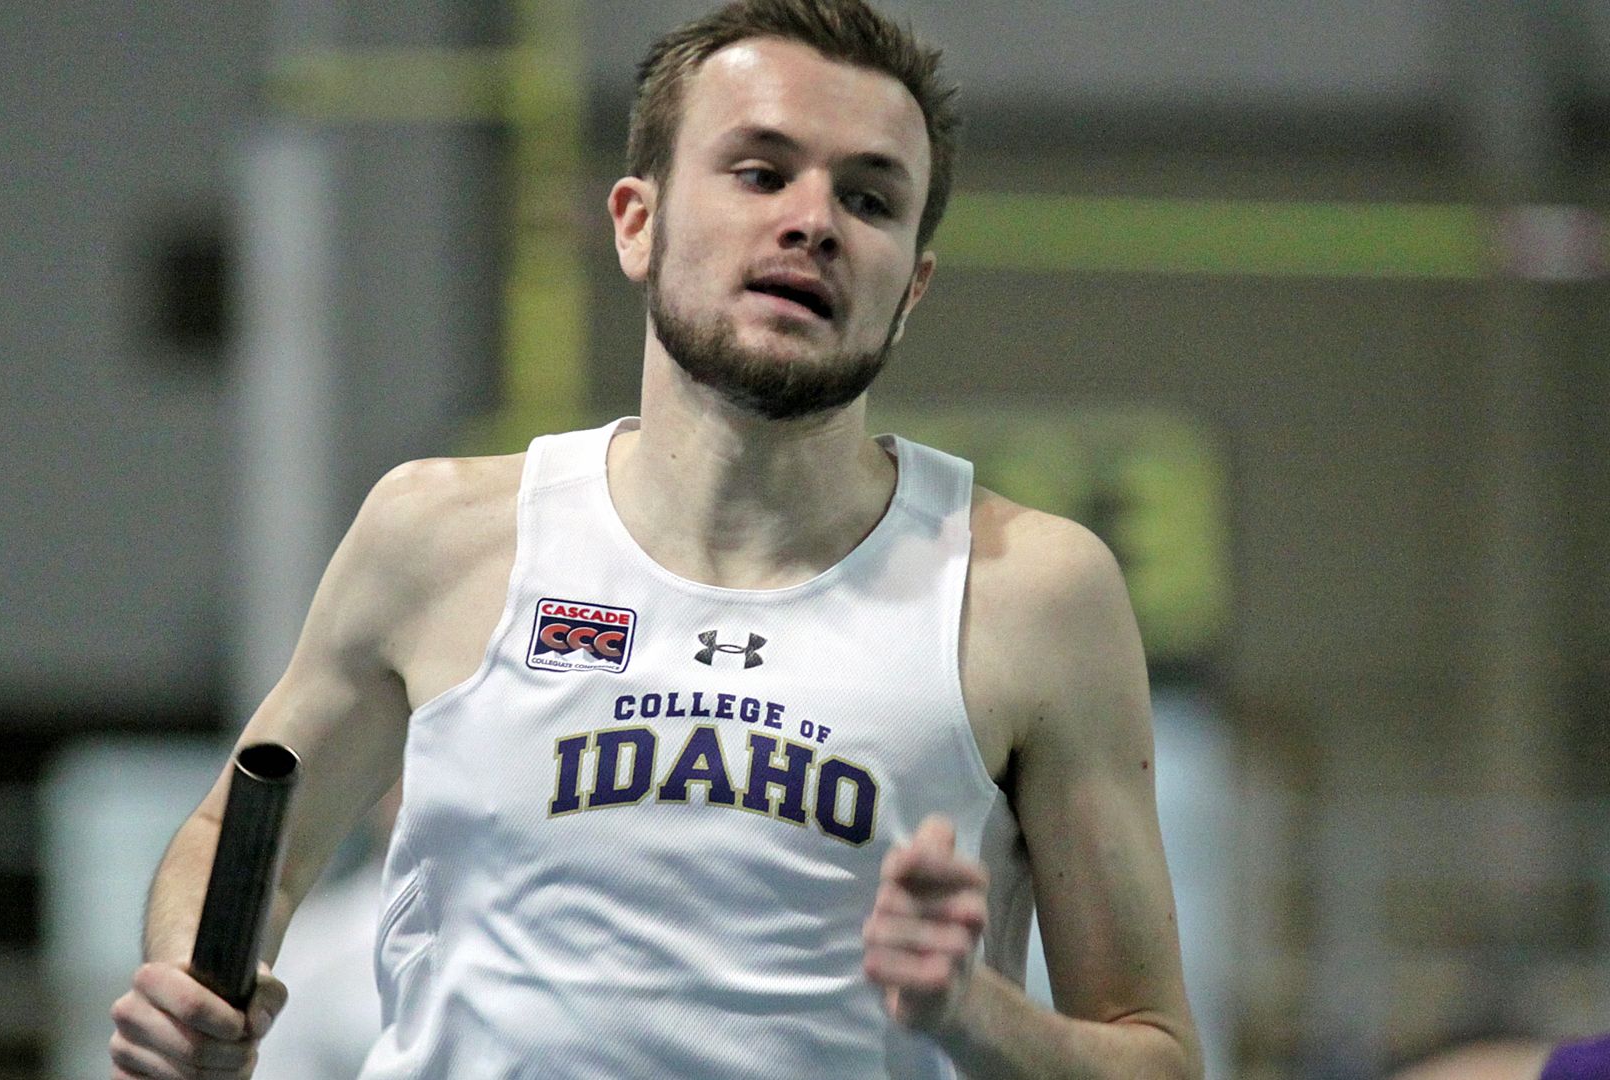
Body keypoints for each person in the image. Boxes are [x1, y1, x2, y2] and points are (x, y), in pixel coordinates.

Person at [109, 1, 1200, 1077]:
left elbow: (1154, 1057)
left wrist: (970, 1012)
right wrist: (194, 995)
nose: (814, 221)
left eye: (868, 198)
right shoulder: (437, 536)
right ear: (636, 222)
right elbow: (238, 836)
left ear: (910, 289)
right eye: (762, 172)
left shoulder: (1029, 594)